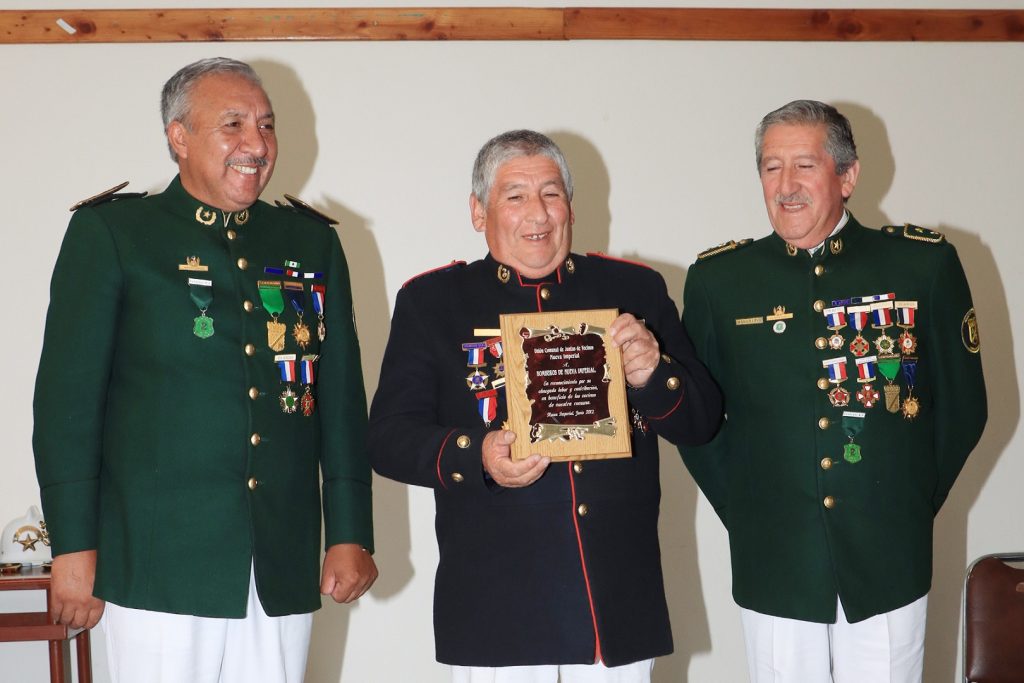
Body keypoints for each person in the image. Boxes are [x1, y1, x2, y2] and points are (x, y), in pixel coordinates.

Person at [32, 57, 376, 682]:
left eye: (267, 125)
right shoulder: (115, 233)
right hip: (158, 561)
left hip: (278, 559)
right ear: (179, 137)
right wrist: (73, 547)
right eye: (234, 124)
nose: (257, 143)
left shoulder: (310, 244)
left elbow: (341, 401)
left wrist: (351, 531)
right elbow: (66, 408)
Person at [369, 129, 722, 682]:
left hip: (613, 609)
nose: (537, 213)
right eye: (515, 196)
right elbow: (388, 437)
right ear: (477, 211)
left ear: (571, 207)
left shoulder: (635, 289)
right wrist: (477, 455)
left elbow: (702, 424)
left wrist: (656, 374)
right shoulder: (433, 303)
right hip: (497, 611)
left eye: (552, 194)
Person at [678, 99, 987, 682]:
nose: (786, 185)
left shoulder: (923, 266)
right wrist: (753, 512)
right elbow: (701, 425)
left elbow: (963, 410)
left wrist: (901, 502)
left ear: (847, 176)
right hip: (776, 556)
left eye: (804, 166)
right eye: (771, 167)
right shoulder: (720, 281)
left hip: (887, 553)